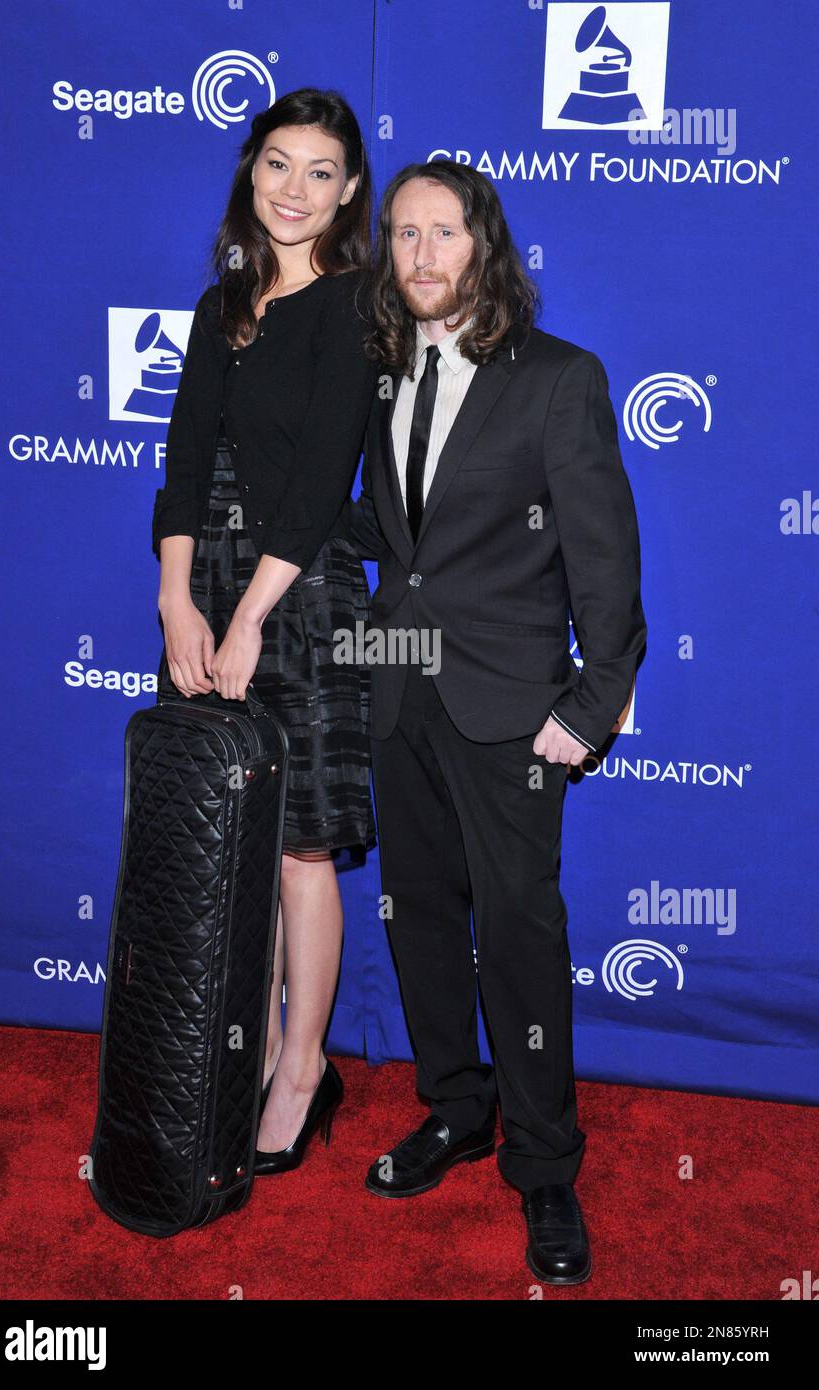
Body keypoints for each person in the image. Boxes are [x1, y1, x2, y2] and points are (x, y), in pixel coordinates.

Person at [340, 160, 647, 1283]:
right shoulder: (376, 373)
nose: (422, 257)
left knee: (519, 931)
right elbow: (386, 532)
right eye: (404, 236)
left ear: (485, 246)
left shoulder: (559, 378)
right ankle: (455, 1106)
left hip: (514, 707)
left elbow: (605, 558)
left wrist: (591, 698)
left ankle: (546, 1165)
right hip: (399, 684)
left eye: (445, 235)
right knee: (419, 911)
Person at [152, 89, 380, 1173]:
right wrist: (176, 598)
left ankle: (303, 1068)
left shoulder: (353, 306)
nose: (294, 189)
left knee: (298, 849)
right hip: (215, 589)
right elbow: (186, 458)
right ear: (252, 174)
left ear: (347, 192)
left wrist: (246, 620)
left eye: (320, 171)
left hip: (300, 590)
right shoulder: (223, 303)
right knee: (226, 842)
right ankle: (241, 1044)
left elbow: (324, 480)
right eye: (277, 164)